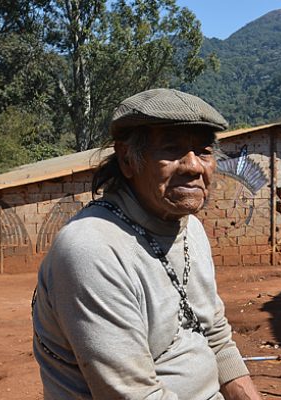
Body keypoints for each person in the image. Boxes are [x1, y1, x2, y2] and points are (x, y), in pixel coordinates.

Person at [31, 88, 261, 399]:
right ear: (127, 159)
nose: (194, 166)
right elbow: (132, 394)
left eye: (204, 151)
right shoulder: (93, 250)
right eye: (172, 149)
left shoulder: (188, 227)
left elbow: (215, 334)